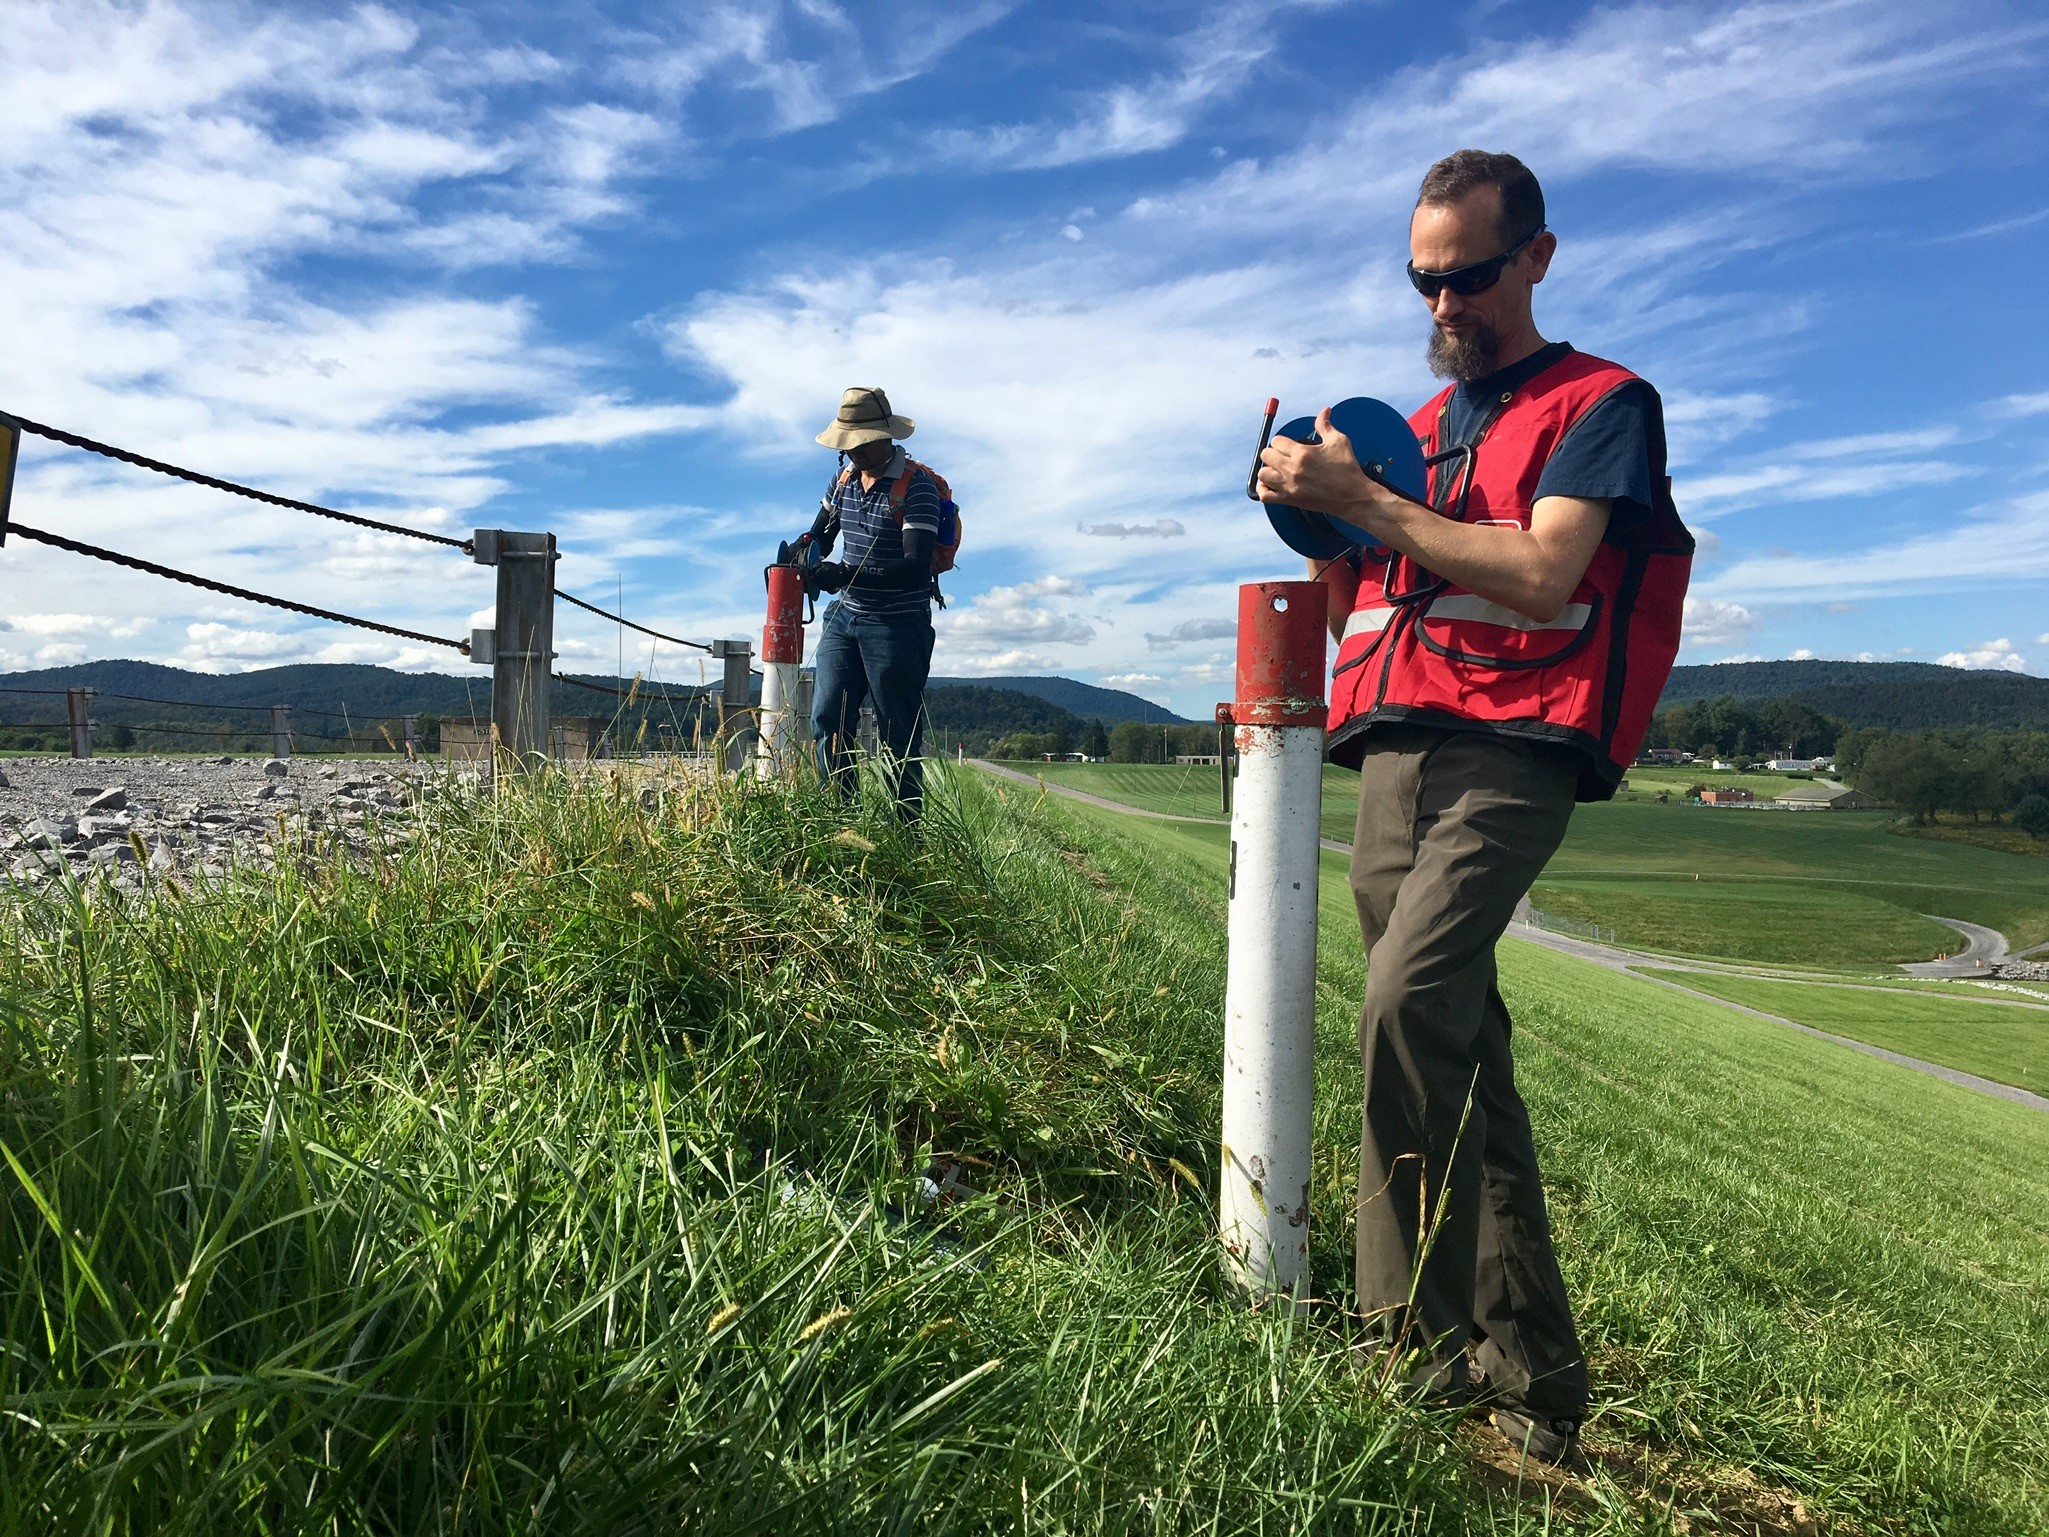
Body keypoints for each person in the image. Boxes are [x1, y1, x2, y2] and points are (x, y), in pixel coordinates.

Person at [1255, 149, 1693, 1467]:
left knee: (1404, 1006)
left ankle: (1400, 1352)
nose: (1442, 307)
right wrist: (1310, 515)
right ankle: (1539, 1374)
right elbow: (1373, 583)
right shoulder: (1418, 428)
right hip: (1397, 740)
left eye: (1469, 279)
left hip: (1519, 746)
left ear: (1537, 258)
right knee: (1460, 1049)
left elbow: (1542, 565)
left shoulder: (1602, 403)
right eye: (1421, 282)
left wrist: (1367, 502)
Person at [799, 386, 942, 818]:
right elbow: (821, 535)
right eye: (847, 446)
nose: (852, 454)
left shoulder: (916, 488)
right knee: (827, 717)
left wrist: (845, 574)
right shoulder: (843, 480)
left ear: (885, 437)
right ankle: (839, 821)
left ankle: (905, 832)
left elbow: (916, 566)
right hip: (846, 616)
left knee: (898, 733)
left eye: (859, 444)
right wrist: (799, 559)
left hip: (897, 623)